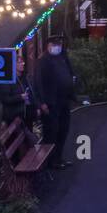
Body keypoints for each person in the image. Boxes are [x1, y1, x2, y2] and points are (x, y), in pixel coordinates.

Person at [33, 33, 76, 168]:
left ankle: (58, 158)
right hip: (51, 103)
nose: (57, 47)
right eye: (54, 45)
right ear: (48, 46)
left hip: (64, 100)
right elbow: (38, 83)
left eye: (59, 45)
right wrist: (41, 103)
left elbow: (69, 71)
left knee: (63, 129)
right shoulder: (43, 61)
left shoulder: (62, 57)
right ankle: (50, 161)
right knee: (52, 132)